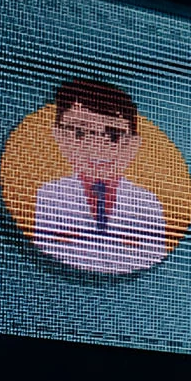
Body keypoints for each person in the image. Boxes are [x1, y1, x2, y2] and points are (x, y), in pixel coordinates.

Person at [32, 79, 170, 275]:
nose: (96, 145)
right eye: (79, 132)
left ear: (133, 144)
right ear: (59, 136)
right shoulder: (49, 196)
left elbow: (154, 265)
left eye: (113, 134)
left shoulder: (147, 204)